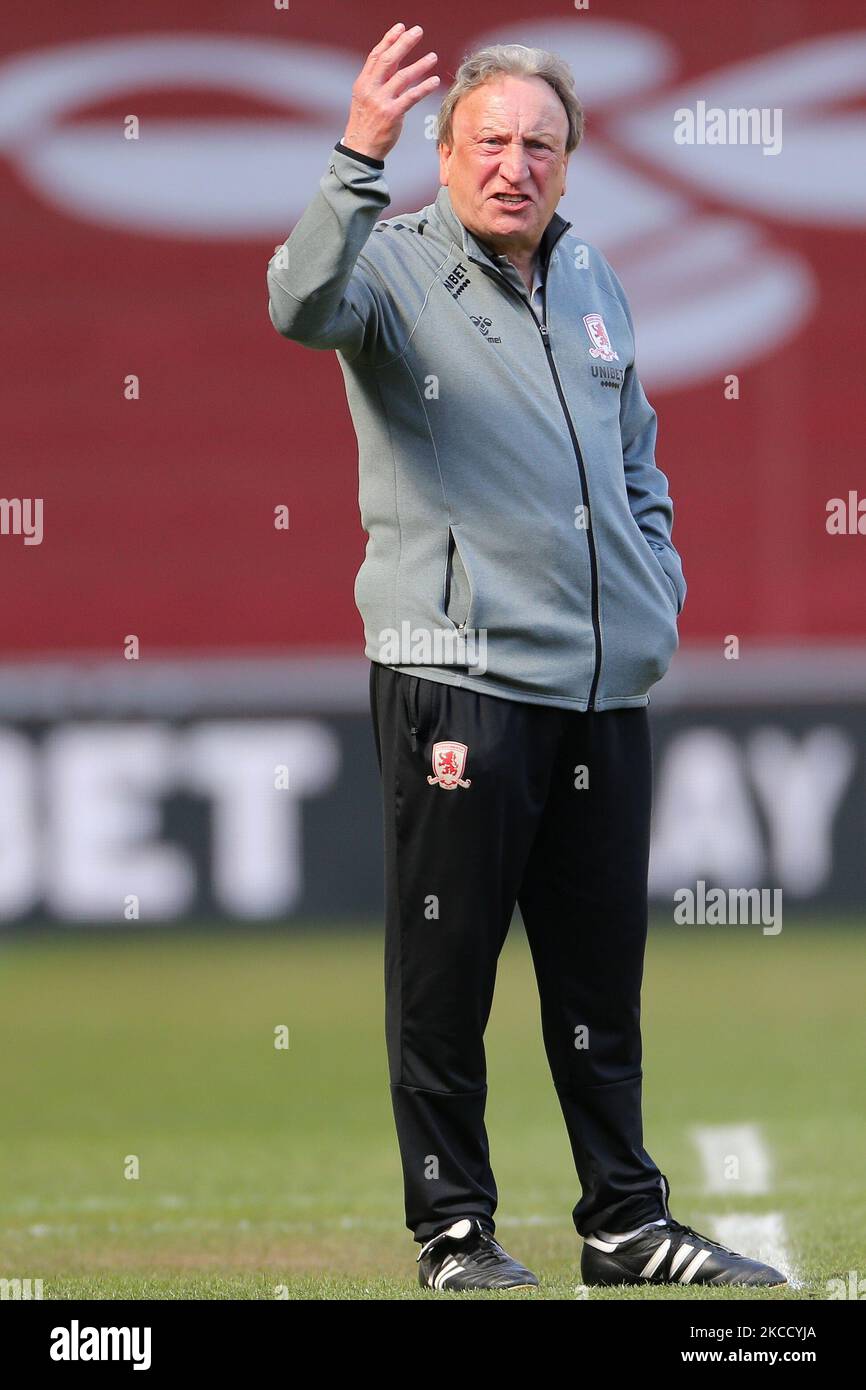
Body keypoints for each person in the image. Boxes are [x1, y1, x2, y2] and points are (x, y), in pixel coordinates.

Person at [266, 23, 787, 1293]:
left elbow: (635, 454)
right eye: (488, 142)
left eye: (539, 145)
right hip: (459, 678)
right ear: (442, 156)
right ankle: (453, 1230)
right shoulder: (387, 266)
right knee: (445, 970)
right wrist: (353, 156)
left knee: (598, 973)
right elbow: (294, 305)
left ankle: (622, 1219)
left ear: (568, 163)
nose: (514, 165)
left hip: (601, 689)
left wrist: (653, 585)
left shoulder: (593, 275)